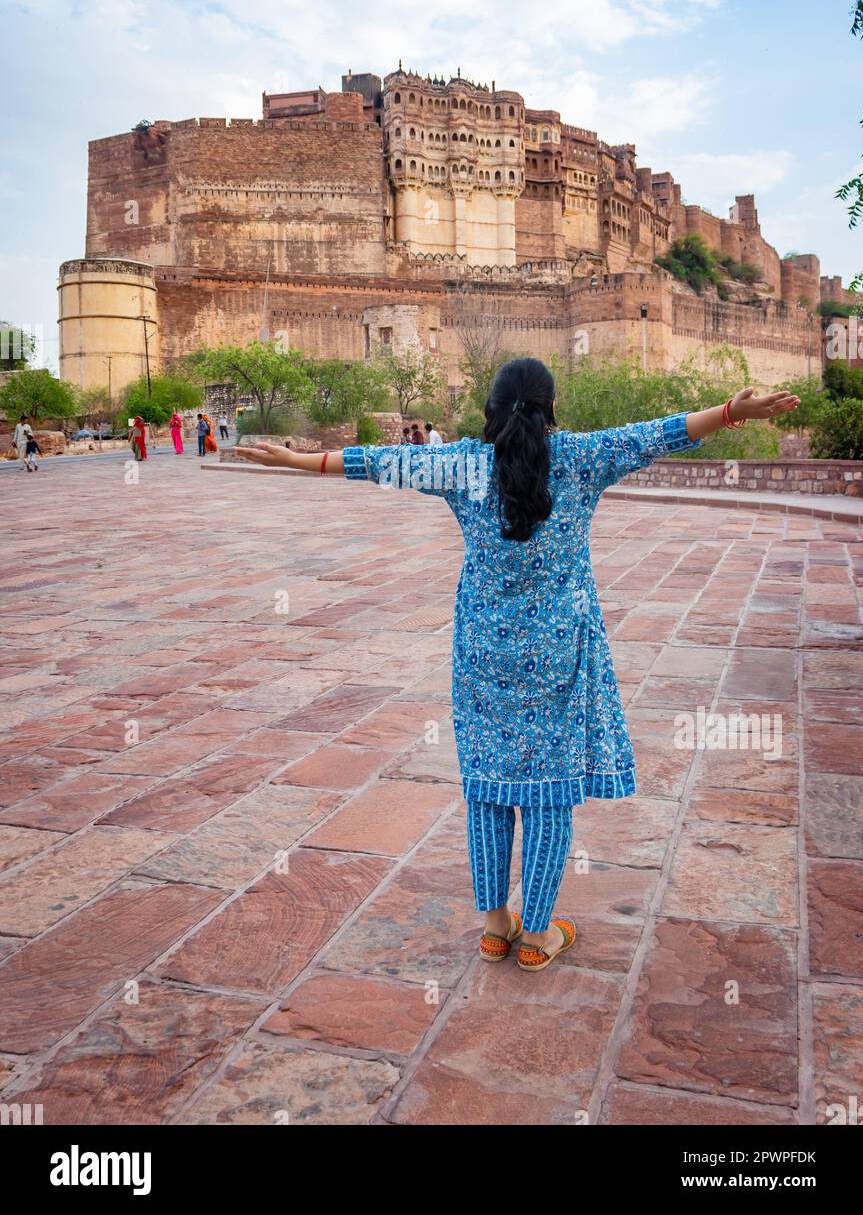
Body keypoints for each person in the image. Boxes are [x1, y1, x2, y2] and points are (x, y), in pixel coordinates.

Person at [234, 357, 799, 971]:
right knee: (549, 792)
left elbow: (377, 462)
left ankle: (494, 927)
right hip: (560, 654)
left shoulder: (461, 466)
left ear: (490, 412)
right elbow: (659, 432)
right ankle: (537, 934)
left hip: (483, 654)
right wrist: (732, 413)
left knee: (487, 784)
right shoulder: (582, 457)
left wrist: (297, 461)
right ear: (552, 410)